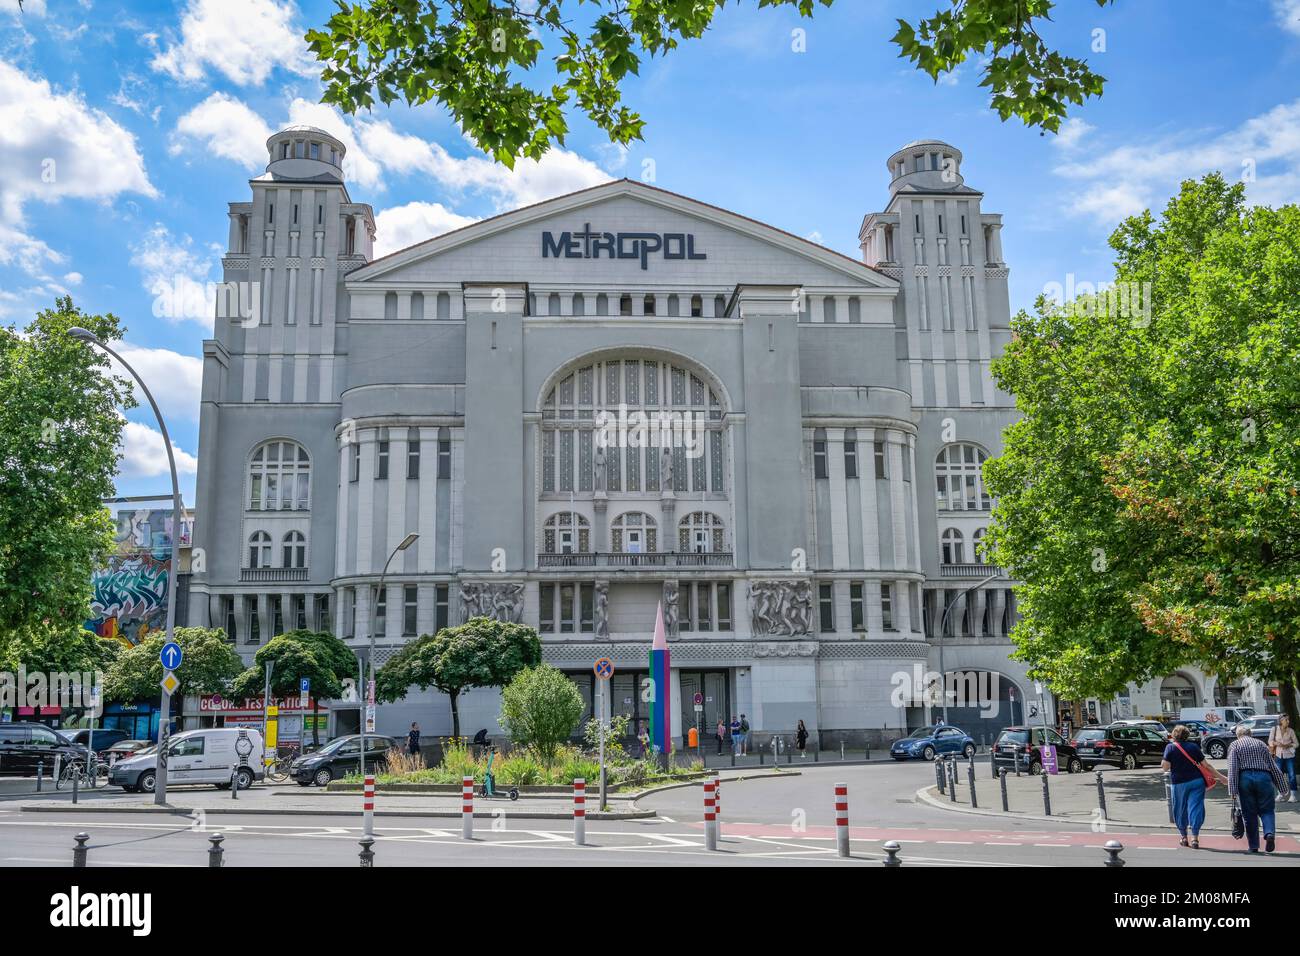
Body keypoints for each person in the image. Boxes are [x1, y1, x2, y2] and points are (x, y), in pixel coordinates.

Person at [1227, 723, 1291, 853]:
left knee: (1249, 814)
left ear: (1238, 735)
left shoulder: (1235, 745)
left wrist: (1232, 790)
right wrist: (1283, 787)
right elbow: (1273, 766)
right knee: (1267, 810)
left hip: (1244, 778)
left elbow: (1233, 769)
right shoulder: (1261, 744)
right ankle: (1269, 834)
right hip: (1264, 778)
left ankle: (1254, 846)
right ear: (1250, 734)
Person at [1161, 724, 1221, 848]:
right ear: (1187, 735)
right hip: (1196, 781)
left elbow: (1165, 767)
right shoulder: (1193, 747)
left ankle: (1183, 837)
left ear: (1174, 735)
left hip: (1179, 783)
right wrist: (1222, 777)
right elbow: (1206, 765)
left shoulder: (1170, 748)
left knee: (1180, 809)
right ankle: (1195, 838)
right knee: (1196, 808)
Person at [1268, 715, 1297, 802]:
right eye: (1286, 720)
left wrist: (1289, 745)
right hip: (1278, 755)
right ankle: (1280, 794)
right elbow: (1270, 741)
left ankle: (1293, 796)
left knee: (1292, 775)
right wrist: (1276, 743)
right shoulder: (1274, 729)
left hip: (1289, 756)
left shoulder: (1291, 731)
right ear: (1281, 721)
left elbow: (1296, 744)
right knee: (1278, 775)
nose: (1288, 721)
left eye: (1288, 719)